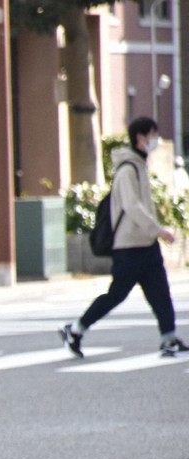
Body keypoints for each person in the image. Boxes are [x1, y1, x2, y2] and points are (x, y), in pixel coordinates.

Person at [60, 116, 188, 358]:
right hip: (129, 247)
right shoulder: (127, 169)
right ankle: (75, 330)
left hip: (145, 245)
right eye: (152, 135)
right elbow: (132, 206)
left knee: (160, 293)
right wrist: (157, 230)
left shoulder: (139, 165)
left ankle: (169, 339)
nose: (155, 140)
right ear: (140, 137)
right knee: (116, 295)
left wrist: (153, 233)